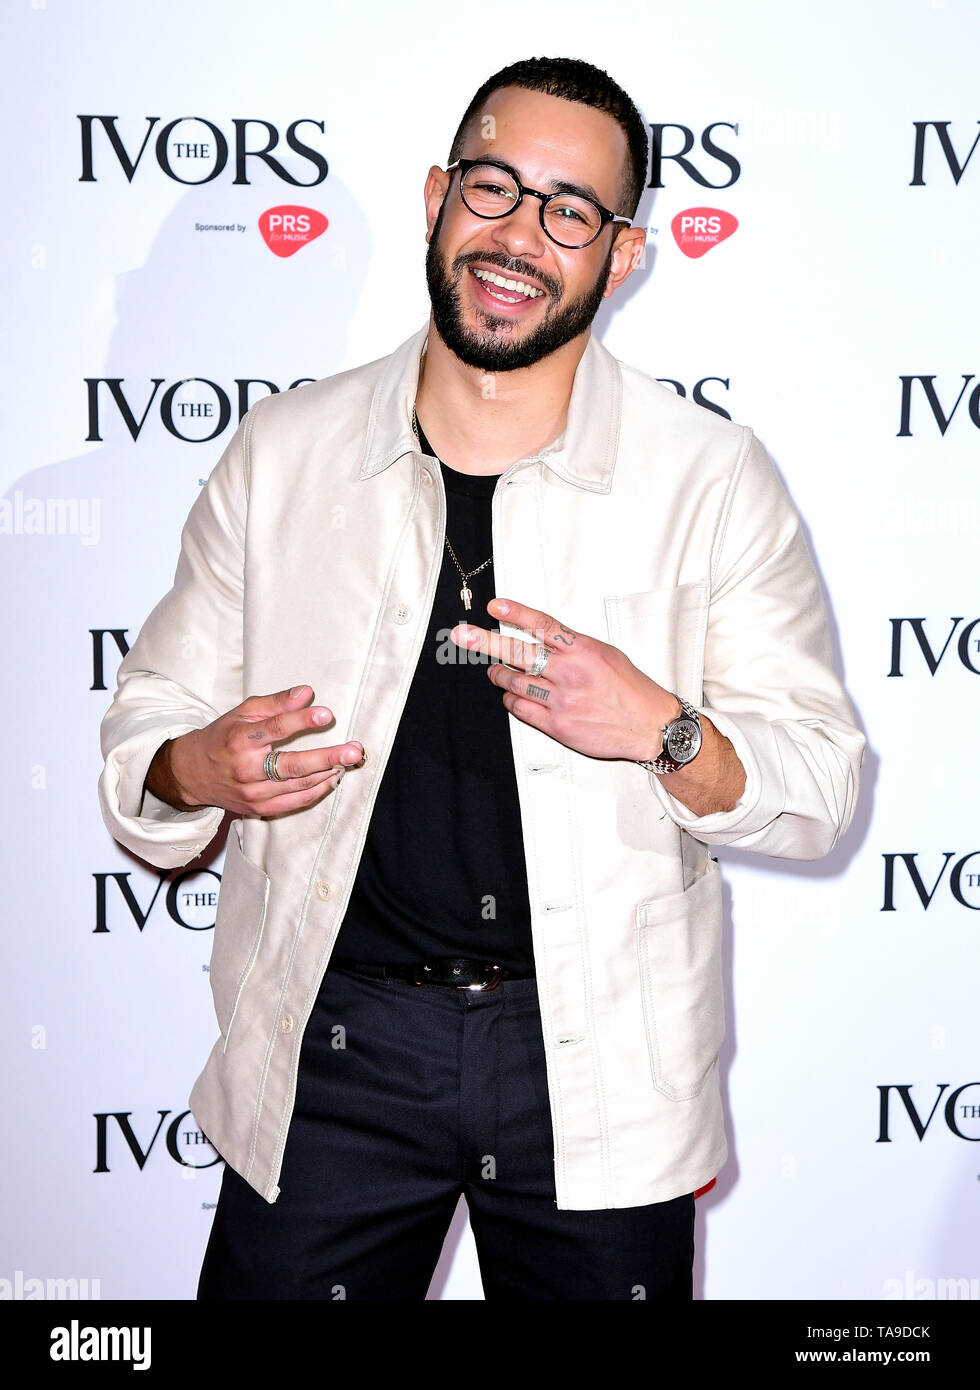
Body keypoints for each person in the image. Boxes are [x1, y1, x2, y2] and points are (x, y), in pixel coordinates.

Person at [98, 56, 865, 1301]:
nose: (520, 236)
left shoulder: (708, 477)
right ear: (434, 197)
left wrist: (661, 730)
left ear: (619, 258)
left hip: (599, 1060)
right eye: (493, 187)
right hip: (331, 1045)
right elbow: (147, 738)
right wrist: (200, 764)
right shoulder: (283, 455)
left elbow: (817, 785)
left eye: (570, 212)